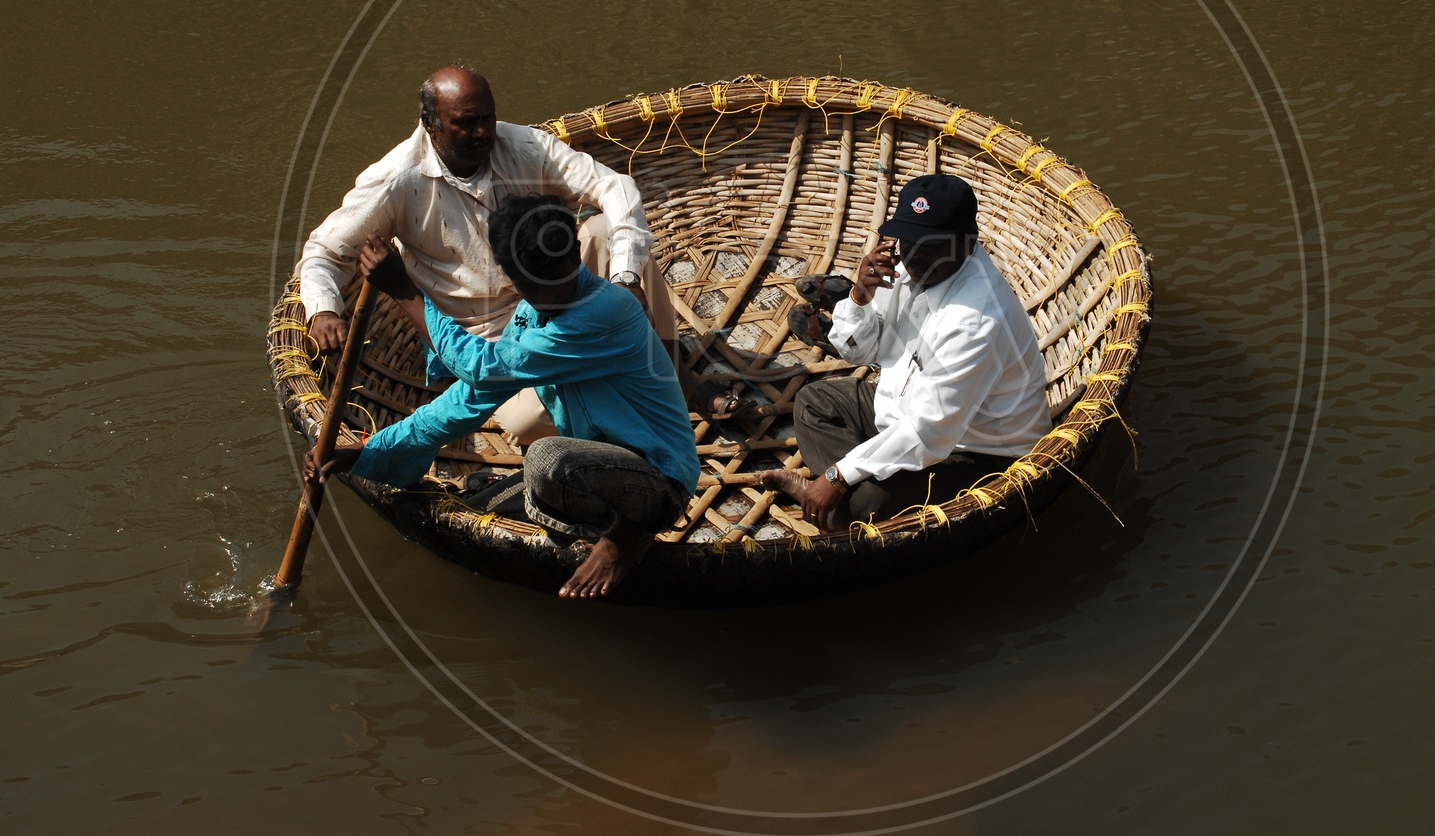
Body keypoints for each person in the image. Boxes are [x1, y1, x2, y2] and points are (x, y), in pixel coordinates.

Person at [303, 195, 700, 599]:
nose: (549, 295)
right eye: (533, 285)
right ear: (511, 276)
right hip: (604, 468)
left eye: (558, 276)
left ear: (576, 253)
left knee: (545, 458)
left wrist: (405, 290)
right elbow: (471, 396)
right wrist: (371, 450)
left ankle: (628, 538)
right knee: (484, 502)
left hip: (660, 480)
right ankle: (596, 523)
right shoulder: (534, 313)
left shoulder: (605, 311)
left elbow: (480, 367)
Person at [297, 65, 677, 444]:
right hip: (485, 336)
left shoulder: (525, 145)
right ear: (430, 124)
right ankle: (620, 383)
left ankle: (675, 372)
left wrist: (626, 278)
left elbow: (615, 186)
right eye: (466, 123)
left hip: (556, 293)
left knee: (604, 231)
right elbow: (324, 251)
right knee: (528, 421)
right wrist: (325, 311)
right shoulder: (396, 180)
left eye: (488, 118)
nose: (482, 133)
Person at [761, 175, 1051, 530]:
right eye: (907, 241)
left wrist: (837, 475)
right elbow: (861, 352)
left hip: (978, 450)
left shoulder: (975, 321)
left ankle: (832, 500)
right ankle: (838, 499)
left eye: (928, 246)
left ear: (966, 243)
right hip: (907, 408)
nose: (911, 258)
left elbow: (931, 432)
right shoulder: (905, 266)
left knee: (871, 501)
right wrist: (859, 299)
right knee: (814, 401)